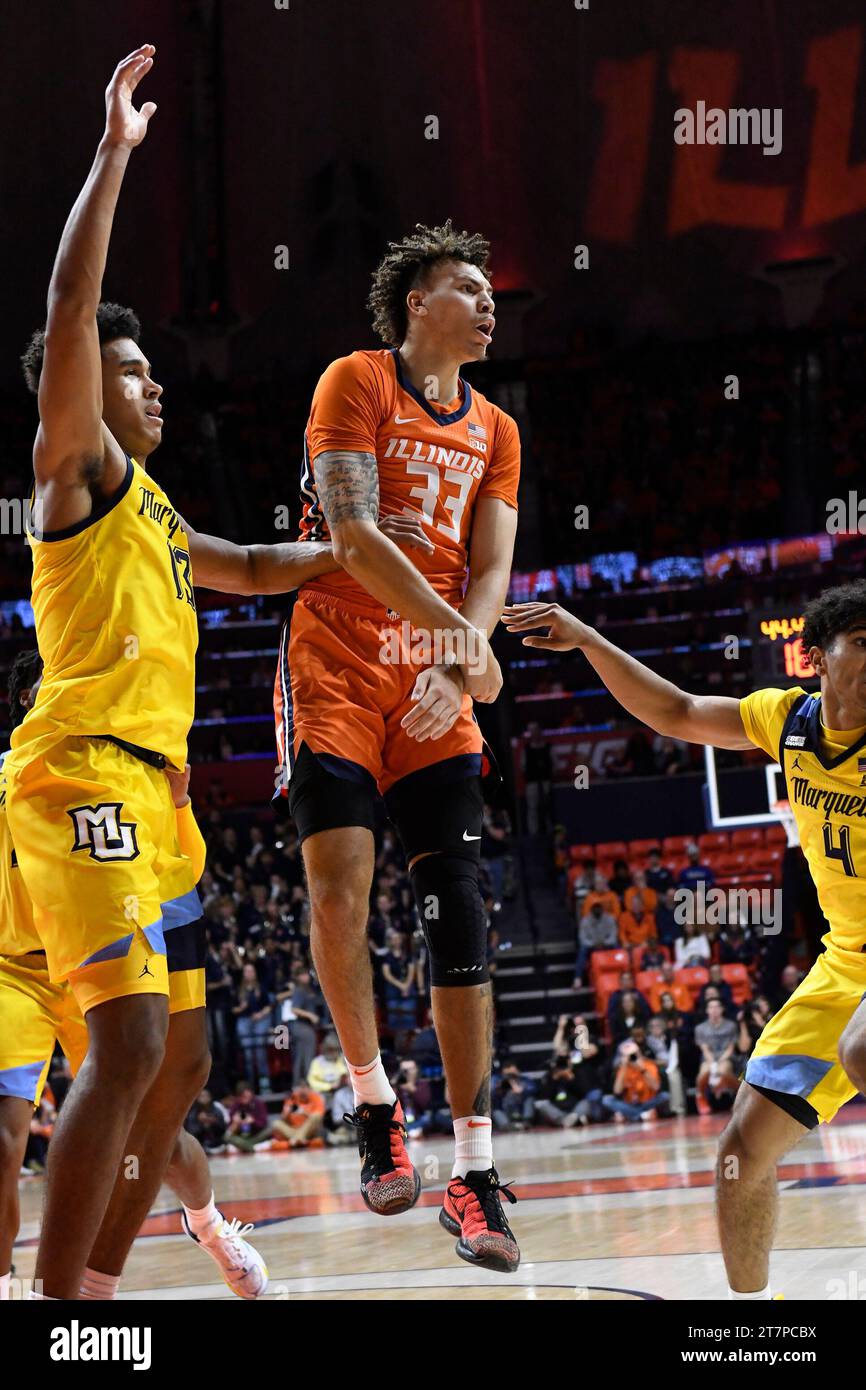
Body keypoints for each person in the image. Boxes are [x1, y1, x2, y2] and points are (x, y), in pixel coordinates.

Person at [5, 45, 379, 1302]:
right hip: (79, 776)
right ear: (77, 396)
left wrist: (359, 555)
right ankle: (62, 1306)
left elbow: (258, 565)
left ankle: (99, 1282)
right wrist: (113, 157)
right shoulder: (76, 473)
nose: (149, 381)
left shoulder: (158, 513)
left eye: (152, 370)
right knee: (124, 1044)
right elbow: (70, 310)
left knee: (181, 1063)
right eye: (130, 372)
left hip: (159, 804)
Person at [273, 220, 521, 1271]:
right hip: (333, 653)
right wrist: (458, 640)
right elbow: (352, 534)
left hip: (431, 679)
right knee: (339, 880)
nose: (487, 299)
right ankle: (372, 1101)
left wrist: (459, 655)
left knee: (457, 906)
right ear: (417, 302)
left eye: (490, 287)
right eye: (468, 285)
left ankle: (473, 1172)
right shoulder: (352, 382)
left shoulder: (498, 427)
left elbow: (493, 563)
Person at [503, 582, 866, 1297]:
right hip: (846, 965)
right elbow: (674, 710)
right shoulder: (787, 721)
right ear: (817, 660)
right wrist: (586, 639)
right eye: (863, 642)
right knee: (741, 1153)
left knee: (861, 1049)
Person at [0, 654, 266, 1300]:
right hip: (18, 973)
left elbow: (183, 873)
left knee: (160, 1139)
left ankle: (206, 1224)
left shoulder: (127, 775)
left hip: (104, 970)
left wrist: (174, 805)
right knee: (2, 1139)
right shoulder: (16, 776)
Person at [602, 1039, 668, 1123]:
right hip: (630, 1104)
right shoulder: (622, 1069)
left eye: (634, 1055)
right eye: (629, 1056)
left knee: (665, 1096)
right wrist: (624, 1067)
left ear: (639, 1053)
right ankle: (641, 1115)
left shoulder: (649, 1065)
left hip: (647, 1102)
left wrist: (642, 1070)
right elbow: (617, 1091)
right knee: (607, 1100)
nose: (632, 1058)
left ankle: (630, 1115)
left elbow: (656, 1087)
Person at [232, 964, 274, 1093]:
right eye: (247, 971)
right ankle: (250, 1087)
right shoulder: (238, 990)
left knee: (260, 1052)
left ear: (255, 973)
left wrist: (260, 1014)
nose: (249, 973)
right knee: (248, 1055)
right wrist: (242, 1008)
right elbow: (233, 1010)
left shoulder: (261, 988)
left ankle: (265, 1086)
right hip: (245, 1020)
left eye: (251, 971)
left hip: (260, 1020)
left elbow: (269, 1005)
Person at [694, 998, 739, 1115]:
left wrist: (720, 1061)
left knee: (723, 1070)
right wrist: (713, 1062)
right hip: (708, 1058)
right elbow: (704, 1048)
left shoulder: (731, 1025)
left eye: (717, 1007)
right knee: (704, 1071)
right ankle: (701, 1097)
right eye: (711, 1007)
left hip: (726, 1057)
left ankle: (739, 1096)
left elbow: (731, 1047)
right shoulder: (700, 1028)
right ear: (707, 1010)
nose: (714, 1010)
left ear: (722, 1009)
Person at [574, 899, 618, 986]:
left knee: (617, 948)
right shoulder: (585, 921)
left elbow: (613, 936)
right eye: (595, 907)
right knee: (582, 950)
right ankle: (577, 978)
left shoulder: (610, 919)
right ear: (591, 909)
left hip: (606, 945)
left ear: (602, 908)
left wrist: (604, 943)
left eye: (599, 907)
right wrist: (594, 944)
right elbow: (582, 938)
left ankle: (623, 975)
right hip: (591, 947)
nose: (597, 909)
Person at [271, 1084, 326, 1150]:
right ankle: (298, 1140)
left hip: (308, 1131)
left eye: (304, 1089)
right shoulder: (292, 1099)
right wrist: (287, 1112)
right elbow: (283, 1119)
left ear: (309, 1090)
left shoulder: (316, 1098)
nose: (302, 1093)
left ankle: (296, 1140)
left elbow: (319, 1116)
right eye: (300, 1090)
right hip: (293, 1131)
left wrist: (304, 1112)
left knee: (316, 1115)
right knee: (276, 1123)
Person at [522, 722, 553, 835]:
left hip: (546, 781)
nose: (534, 733)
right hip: (532, 783)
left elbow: (554, 764)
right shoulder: (527, 749)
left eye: (536, 730)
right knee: (532, 808)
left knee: (548, 807)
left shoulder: (548, 747)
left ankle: (550, 831)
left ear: (540, 731)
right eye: (532, 731)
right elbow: (523, 766)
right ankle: (534, 833)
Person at [225, 1085, 272, 1153]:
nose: (246, 1099)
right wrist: (235, 1124)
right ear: (239, 1097)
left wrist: (253, 1121)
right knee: (226, 1137)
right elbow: (229, 1132)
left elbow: (264, 1123)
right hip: (241, 1137)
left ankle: (246, 1147)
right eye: (243, 1097)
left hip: (256, 1135)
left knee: (271, 1128)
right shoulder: (235, 1106)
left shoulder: (258, 1103)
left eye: (248, 1096)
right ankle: (252, 1148)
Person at [492, 1063, 537, 1131]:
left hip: (521, 1109)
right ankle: (507, 1126)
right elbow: (492, 1094)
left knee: (530, 1099)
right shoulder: (498, 1081)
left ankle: (527, 1122)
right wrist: (499, 1090)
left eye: (512, 1074)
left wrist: (522, 1091)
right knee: (495, 1109)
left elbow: (534, 1089)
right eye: (508, 1074)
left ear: (517, 1071)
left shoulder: (525, 1080)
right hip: (505, 1110)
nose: (510, 1076)